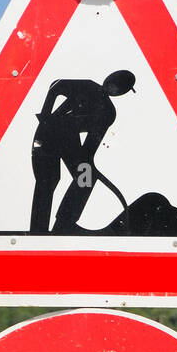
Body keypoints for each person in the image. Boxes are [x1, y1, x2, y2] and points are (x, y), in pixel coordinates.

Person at [29, 70, 136, 233]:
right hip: (47, 134)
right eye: (114, 81)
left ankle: (63, 225)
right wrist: (45, 116)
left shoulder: (108, 112)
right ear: (108, 77)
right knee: (48, 180)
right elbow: (56, 86)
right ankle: (38, 230)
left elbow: (90, 146)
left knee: (87, 178)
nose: (113, 87)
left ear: (122, 92)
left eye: (119, 87)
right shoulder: (87, 85)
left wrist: (88, 166)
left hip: (69, 141)